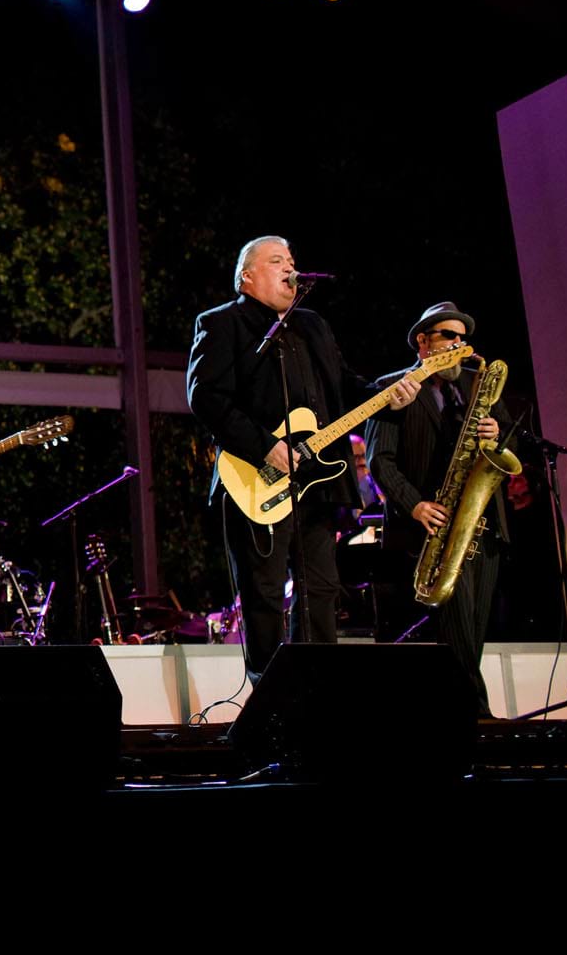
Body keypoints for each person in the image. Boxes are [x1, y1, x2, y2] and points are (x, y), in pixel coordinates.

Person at [187, 236, 418, 684]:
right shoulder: (222, 323)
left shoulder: (313, 326)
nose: (291, 269)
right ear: (247, 277)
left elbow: (345, 387)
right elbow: (206, 397)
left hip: (317, 480)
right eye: (277, 261)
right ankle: (271, 705)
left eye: (292, 261)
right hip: (255, 479)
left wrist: (386, 397)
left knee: (321, 590)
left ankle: (317, 694)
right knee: (264, 594)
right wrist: (263, 446)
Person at [364, 302, 507, 714]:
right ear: (423, 342)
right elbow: (379, 460)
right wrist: (415, 505)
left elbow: (512, 447)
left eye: (462, 337)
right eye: (449, 336)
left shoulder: (479, 384)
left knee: (472, 636)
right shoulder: (396, 385)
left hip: (483, 525)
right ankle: (480, 721)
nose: (459, 344)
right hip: (434, 526)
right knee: (457, 634)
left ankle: (456, 721)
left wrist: (497, 433)